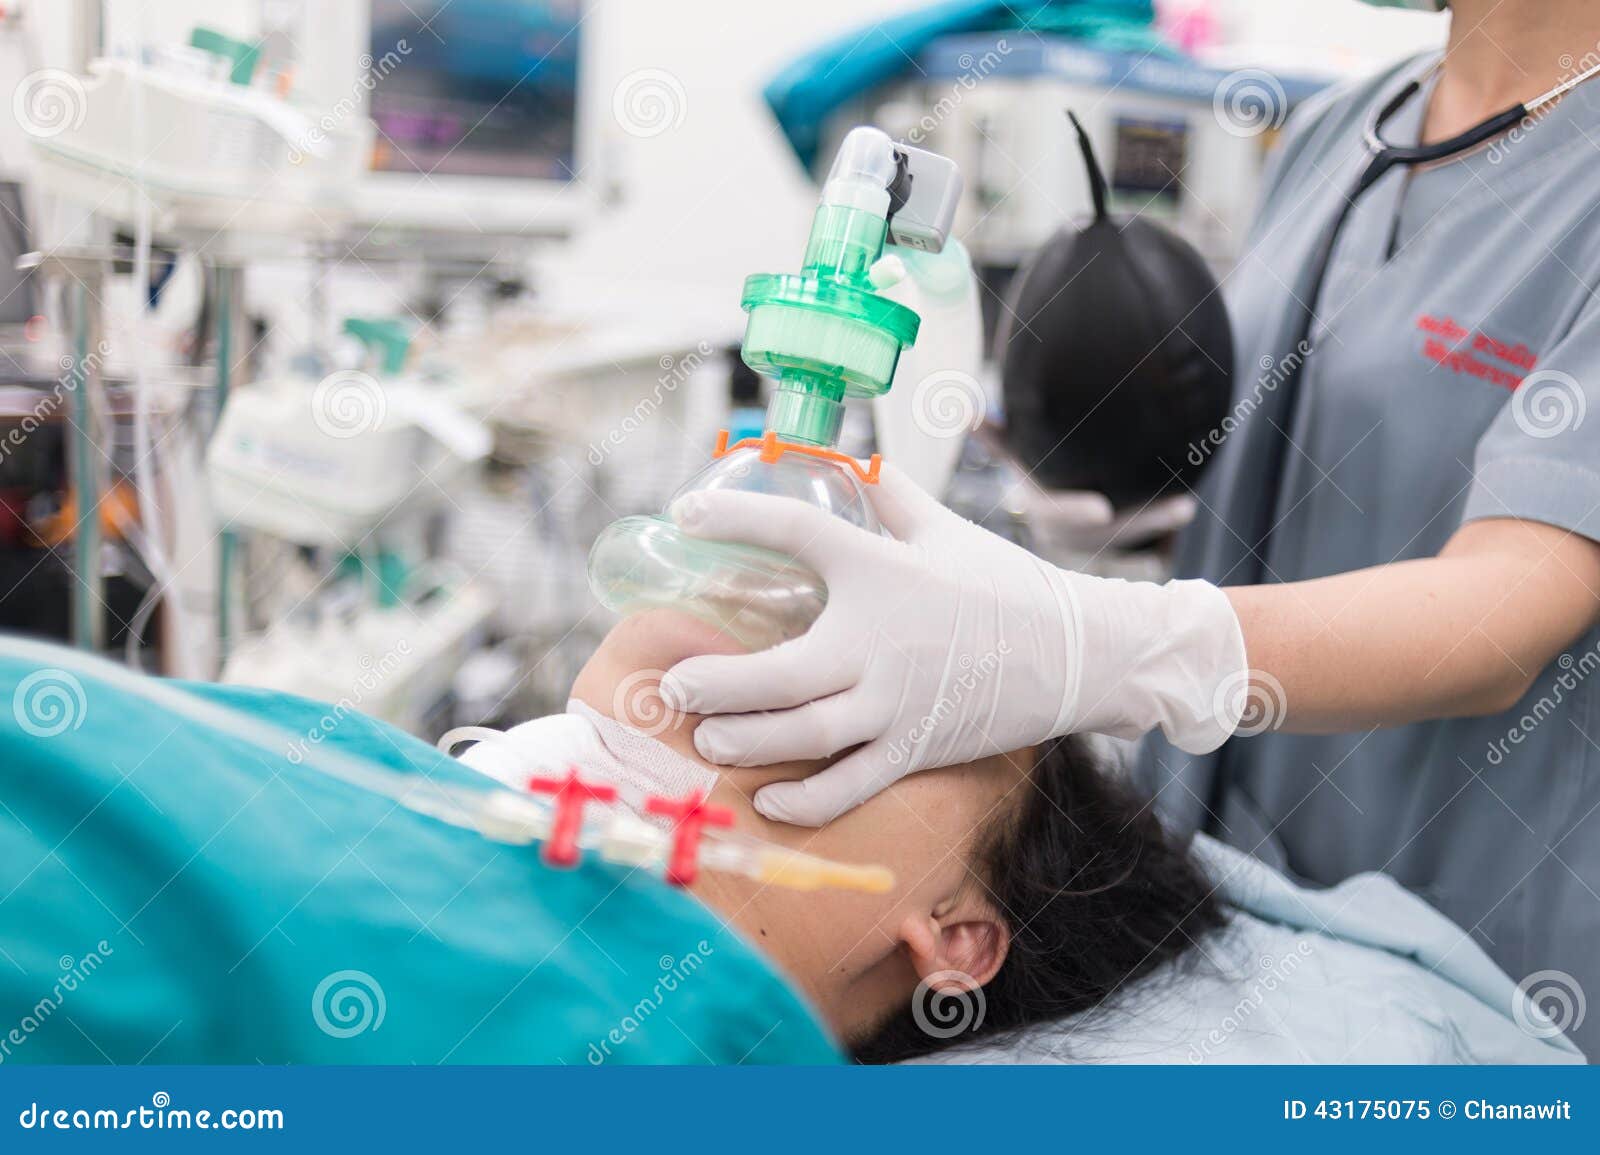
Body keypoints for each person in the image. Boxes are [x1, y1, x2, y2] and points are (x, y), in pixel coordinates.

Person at [656, 0, 1600, 1059]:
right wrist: (1137, 533)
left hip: (1473, 951)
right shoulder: (1345, 132)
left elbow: (1504, 614)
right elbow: (1314, 450)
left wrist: (1092, 641)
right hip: (1222, 914)